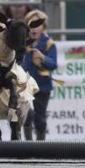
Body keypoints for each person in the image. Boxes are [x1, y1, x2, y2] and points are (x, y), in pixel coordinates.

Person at [21, 9, 57, 141]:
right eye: (31, 24)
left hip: (42, 86)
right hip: (25, 86)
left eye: (38, 24)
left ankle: (40, 146)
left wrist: (42, 57)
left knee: (40, 119)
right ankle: (28, 145)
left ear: (43, 27)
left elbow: (53, 64)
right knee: (27, 115)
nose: (34, 28)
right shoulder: (22, 43)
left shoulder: (49, 44)